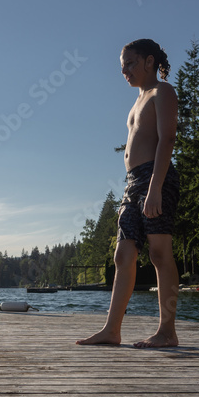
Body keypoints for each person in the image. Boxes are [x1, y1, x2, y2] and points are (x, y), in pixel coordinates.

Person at [78, 38, 180, 348]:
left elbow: (167, 140)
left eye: (130, 63)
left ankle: (167, 331)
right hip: (133, 182)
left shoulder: (163, 92)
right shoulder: (136, 102)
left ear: (149, 61)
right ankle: (112, 330)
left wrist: (155, 189)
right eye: (122, 66)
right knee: (123, 254)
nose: (125, 71)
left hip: (155, 178)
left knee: (159, 253)